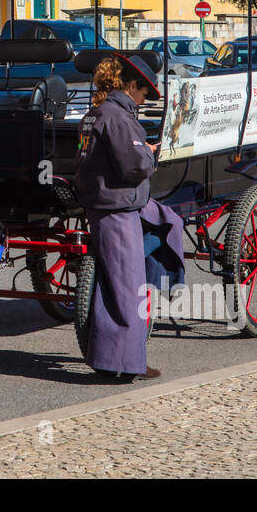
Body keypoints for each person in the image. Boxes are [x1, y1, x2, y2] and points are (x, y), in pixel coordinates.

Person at [73, 53, 185, 382]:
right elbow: (134, 166)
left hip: (107, 203)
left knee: (167, 223)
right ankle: (122, 363)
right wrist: (149, 154)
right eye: (144, 93)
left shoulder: (97, 113)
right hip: (117, 207)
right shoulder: (118, 117)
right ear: (131, 86)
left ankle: (159, 277)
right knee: (126, 287)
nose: (144, 99)